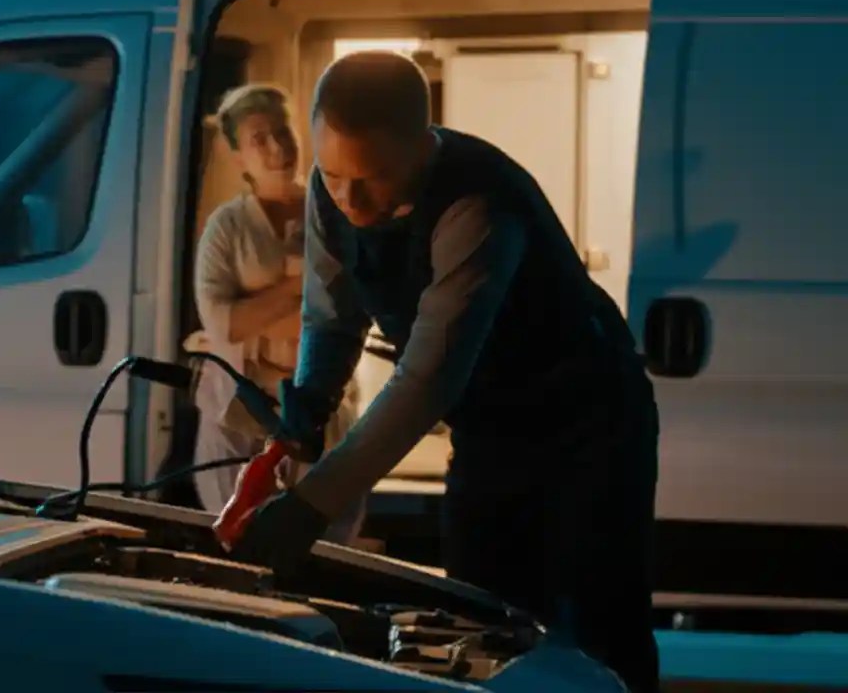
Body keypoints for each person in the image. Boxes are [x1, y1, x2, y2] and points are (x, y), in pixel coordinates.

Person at [229, 52, 661, 693]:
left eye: (369, 178)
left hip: (591, 427)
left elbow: (430, 377)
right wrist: (308, 407)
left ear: (421, 146)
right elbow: (332, 309)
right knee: (482, 617)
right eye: (332, 172)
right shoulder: (333, 188)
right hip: (490, 433)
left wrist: (313, 504)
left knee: (601, 625)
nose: (345, 197)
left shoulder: (479, 204)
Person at [190, 83, 364, 544]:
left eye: (282, 131)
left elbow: (348, 313)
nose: (275, 147)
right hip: (239, 408)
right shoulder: (227, 228)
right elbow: (223, 323)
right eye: (257, 139)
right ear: (236, 156)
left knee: (327, 542)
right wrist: (303, 284)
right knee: (238, 537)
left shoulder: (332, 213)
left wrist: (267, 308)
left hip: (319, 400)